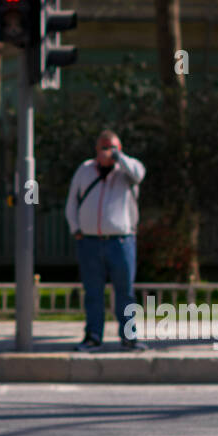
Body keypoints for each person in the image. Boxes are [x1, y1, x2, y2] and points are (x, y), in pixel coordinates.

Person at [64, 130, 146, 351]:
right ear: (96, 149)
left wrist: (119, 157)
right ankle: (93, 336)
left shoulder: (127, 170)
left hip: (121, 242)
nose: (108, 151)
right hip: (89, 242)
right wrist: (76, 229)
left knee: (125, 292)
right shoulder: (85, 170)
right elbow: (72, 201)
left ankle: (129, 337)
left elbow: (139, 175)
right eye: (104, 147)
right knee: (93, 292)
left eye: (112, 147)